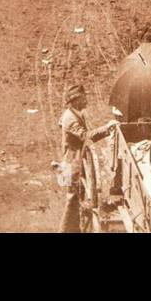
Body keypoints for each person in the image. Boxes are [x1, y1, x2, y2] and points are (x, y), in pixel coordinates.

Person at [59, 85, 90, 233]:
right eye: (84, 98)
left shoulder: (75, 113)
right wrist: (107, 129)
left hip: (74, 160)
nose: (86, 100)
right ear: (76, 100)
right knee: (72, 200)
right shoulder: (70, 117)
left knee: (76, 199)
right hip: (72, 163)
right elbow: (84, 136)